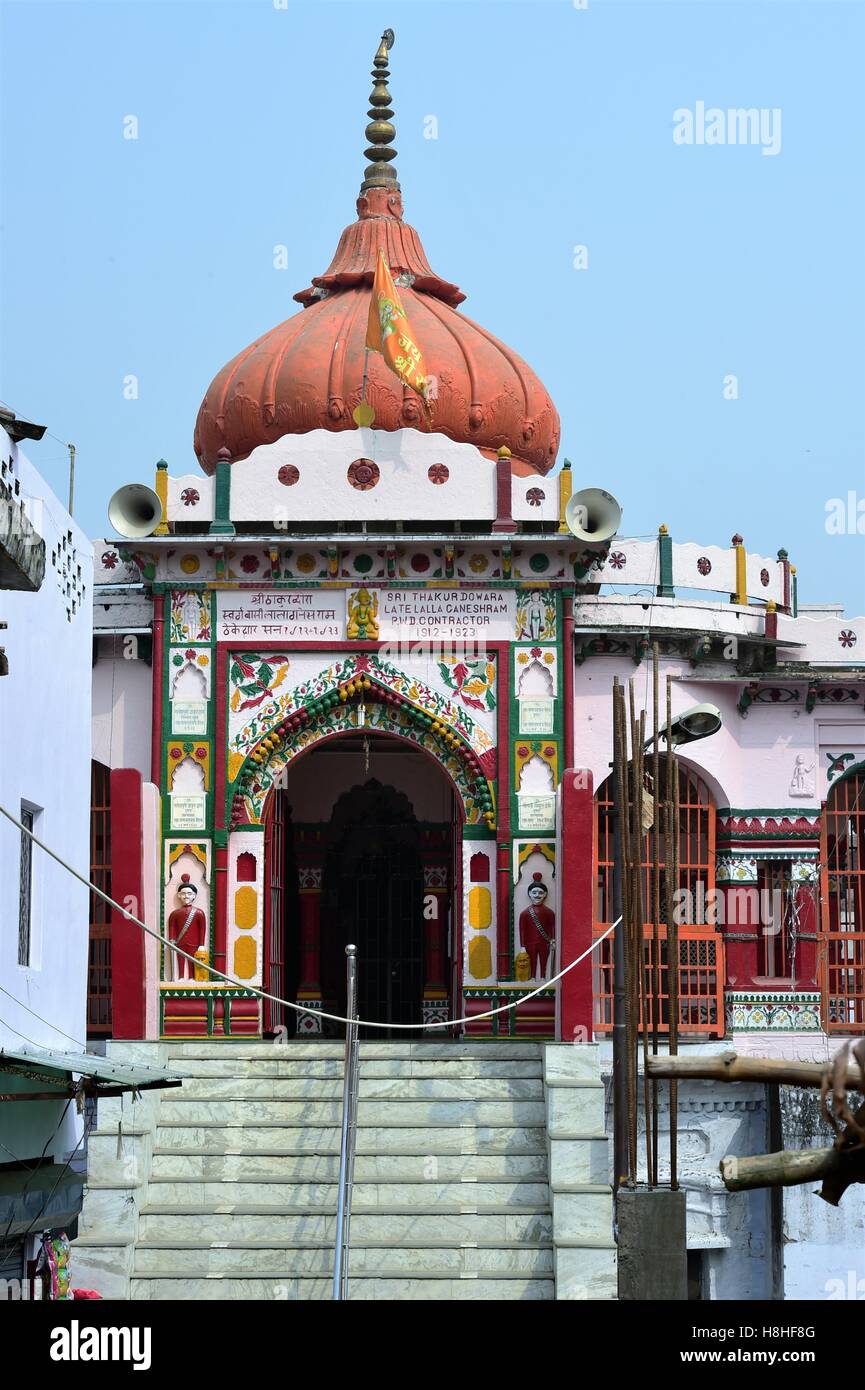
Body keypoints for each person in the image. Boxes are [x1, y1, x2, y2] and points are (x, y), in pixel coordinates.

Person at [166, 875, 207, 981]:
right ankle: (180, 976)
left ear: (194, 895)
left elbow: (202, 929)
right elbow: (172, 927)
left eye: (189, 893)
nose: (186, 896)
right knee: (180, 960)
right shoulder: (175, 914)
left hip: (194, 943)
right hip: (180, 942)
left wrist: (201, 944)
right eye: (183, 893)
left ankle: (192, 977)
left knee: (192, 961)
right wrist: (171, 940)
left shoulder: (199, 913)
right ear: (179, 895)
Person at [518, 872, 556, 980]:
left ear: (545, 894)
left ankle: (543, 977)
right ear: (529, 893)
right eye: (534, 892)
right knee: (532, 960)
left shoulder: (549, 912)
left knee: (544, 960)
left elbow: (552, 927)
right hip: (530, 942)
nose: (537, 895)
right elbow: (522, 931)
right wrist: (522, 946)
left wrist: (553, 940)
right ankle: (532, 977)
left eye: (540, 892)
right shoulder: (524, 913)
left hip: (545, 942)